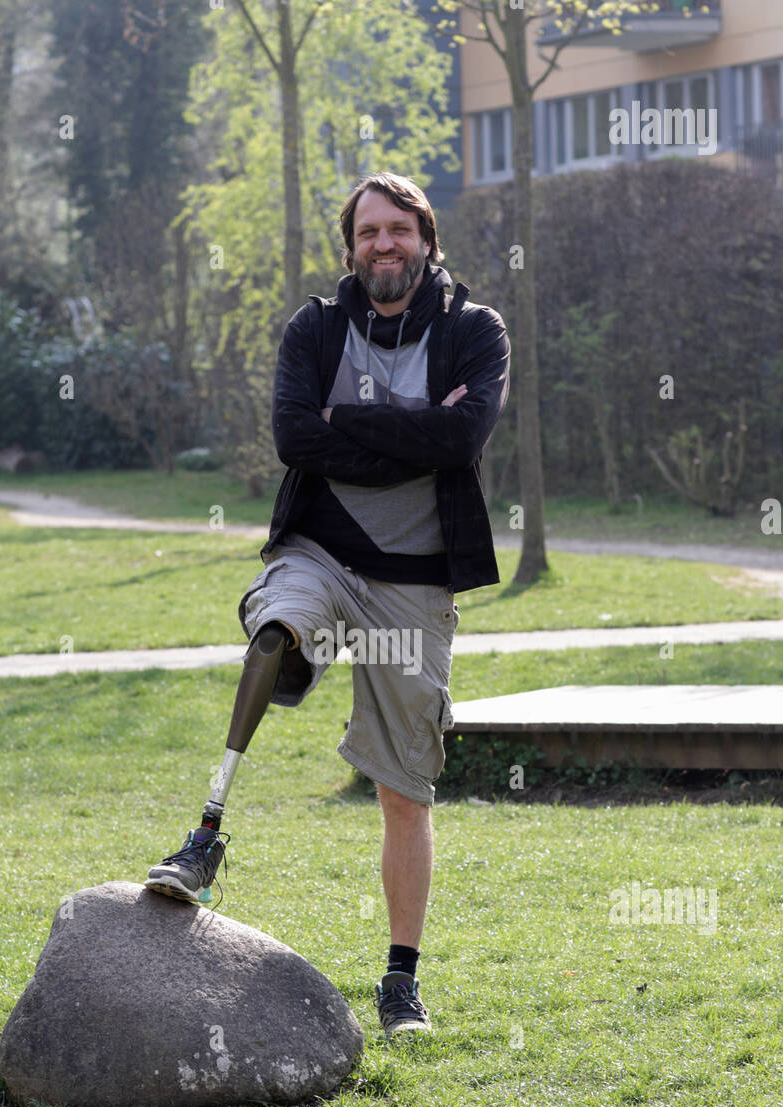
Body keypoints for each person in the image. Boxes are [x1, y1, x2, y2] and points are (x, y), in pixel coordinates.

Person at [146, 171, 510, 1040]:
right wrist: (415, 430)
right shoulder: (315, 327)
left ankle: (399, 982)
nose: (383, 246)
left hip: (415, 583)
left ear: (426, 238)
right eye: (368, 233)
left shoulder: (474, 331)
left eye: (399, 230)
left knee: (402, 791)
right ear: (349, 248)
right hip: (322, 553)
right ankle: (203, 839)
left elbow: (464, 439)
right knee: (272, 630)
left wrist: (350, 423)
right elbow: (293, 438)